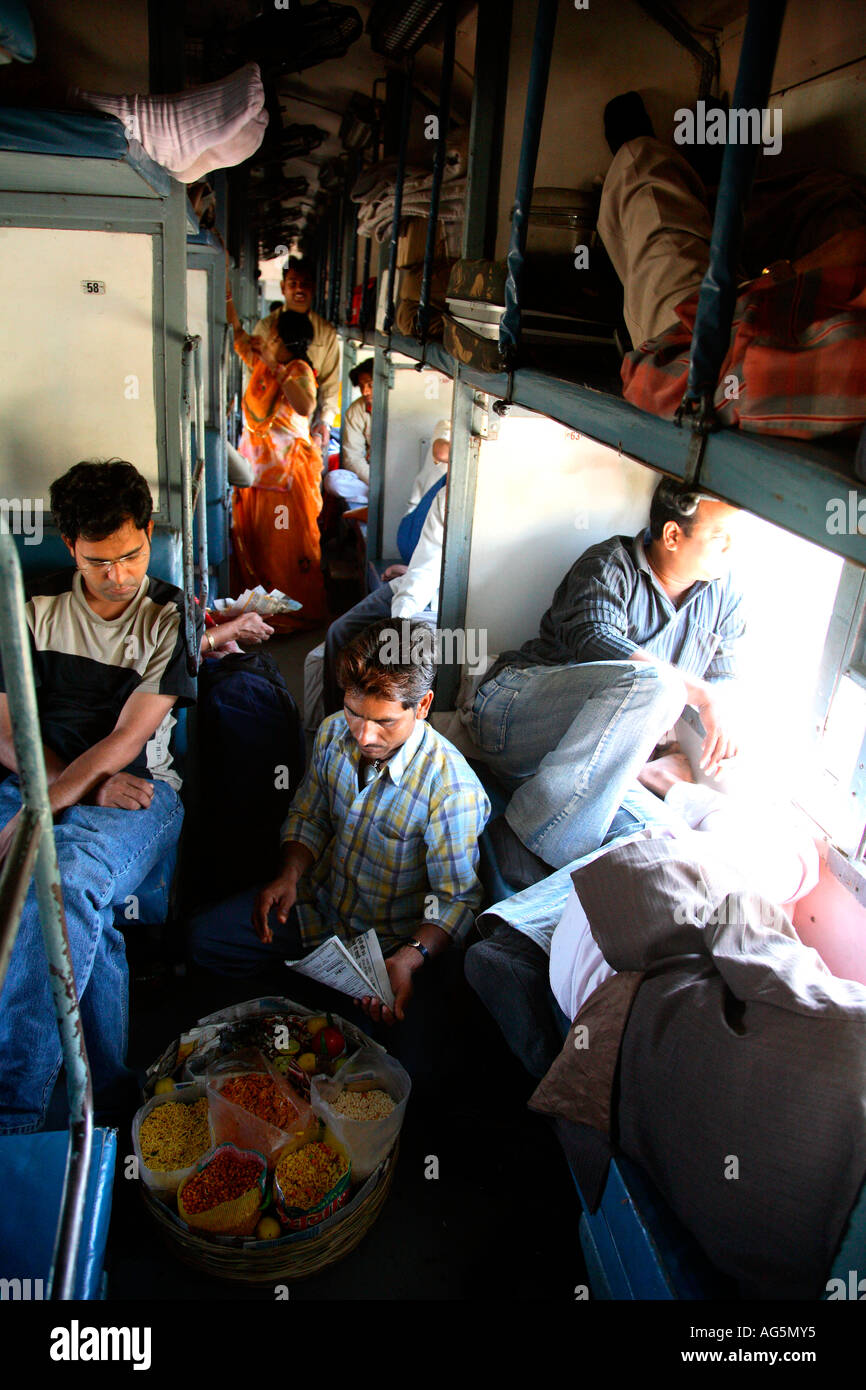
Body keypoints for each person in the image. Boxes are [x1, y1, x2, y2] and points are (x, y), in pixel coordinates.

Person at [189, 619, 490, 1074]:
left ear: (423, 706)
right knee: (203, 941)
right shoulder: (334, 733)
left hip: (386, 950)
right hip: (318, 912)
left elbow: (456, 900)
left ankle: (314, 1002)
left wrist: (409, 958)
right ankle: (312, 999)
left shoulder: (451, 791)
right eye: (355, 712)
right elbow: (310, 816)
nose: (365, 736)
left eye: (384, 722)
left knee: (403, 1068)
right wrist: (289, 875)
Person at [0, 460, 198, 1133]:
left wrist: (42, 808)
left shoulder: (168, 614)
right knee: (89, 925)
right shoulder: (30, 607)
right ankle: (107, 1095)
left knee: (62, 882)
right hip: (42, 779)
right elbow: (8, 733)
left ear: (149, 534)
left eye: (132, 554)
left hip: (141, 793)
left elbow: (125, 741)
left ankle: (16, 1111)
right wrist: (55, 792)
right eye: (99, 561)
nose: (119, 576)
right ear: (69, 549)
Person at [463, 477, 745, 871]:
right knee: (659, 686)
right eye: (721, 536)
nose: (732, 548)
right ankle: (528, 844)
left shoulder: (725, 593)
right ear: (673, 536)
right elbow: (596, 640)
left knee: (669, 847)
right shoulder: (608, 564)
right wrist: (703, 695)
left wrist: (720, 705)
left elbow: (725, 675)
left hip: (595, 760)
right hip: (516, 712)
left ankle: (633, 784)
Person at [599, 92, 866, 439]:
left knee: (642, 169)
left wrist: (785, 273)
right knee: (836, 194)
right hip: (796, 311)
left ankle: (688, 191)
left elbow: (657, 375)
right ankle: (705, 197)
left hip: (719, 341)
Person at [228, 285, 328, 629]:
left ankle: (292, 616)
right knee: (258, 547)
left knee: (284, 552)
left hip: (286, 478)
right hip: (256, 475)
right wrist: (226, 286)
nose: (264, 336)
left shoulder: (297, 369)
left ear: (282, 339)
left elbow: (306, 406)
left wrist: (275, 366)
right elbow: (238, 333)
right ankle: (263, 614)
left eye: (270, 333)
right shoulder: (260, 364)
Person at [322, 467, 447, 716]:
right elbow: (426, 567)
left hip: (451, 601)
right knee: (340, 631)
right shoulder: (447, 497)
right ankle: (337, 721)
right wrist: (399, 623)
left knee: (423, 660)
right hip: (414, 586)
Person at [253, 258, 341, 457]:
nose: (299, 289)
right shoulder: (266, 328)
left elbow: (329, 384)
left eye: (306, 284)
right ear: (283, 288)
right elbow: (254, 376)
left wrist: (324, 422)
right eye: (293, 284)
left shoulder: (326, 333)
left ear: (314, 289)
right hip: (268, 423)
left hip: (307, 425)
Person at [323, 357, 373, 510]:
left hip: (399, 475)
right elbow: (353, 457)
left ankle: (374, 498)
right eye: (362, 386)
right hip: (370, 475)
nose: (365, 391)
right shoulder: (355, 410)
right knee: (333, 481)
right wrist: (375, 483)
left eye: (370, 385)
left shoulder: (401, 406)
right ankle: (377, 496)